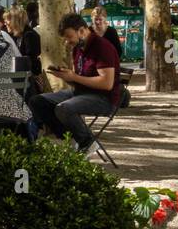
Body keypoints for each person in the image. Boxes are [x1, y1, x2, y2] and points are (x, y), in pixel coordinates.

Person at [27, 13, 121, 153]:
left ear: (82, 31)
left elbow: (106, 84)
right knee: (37, 101)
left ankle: (87, 142)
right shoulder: (78, 48)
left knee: (64, 108)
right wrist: (67, 77)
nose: (67, 42)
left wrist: (74, 77)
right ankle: (71, 139)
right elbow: (78, 81)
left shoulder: (102, 47)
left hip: (104, 98)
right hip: (81, 93)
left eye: (69, 37)